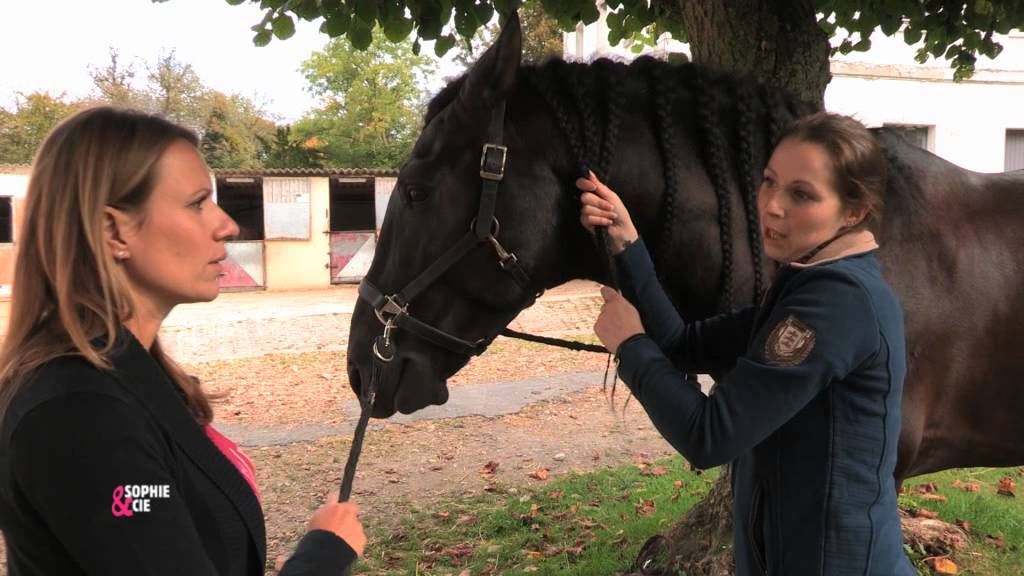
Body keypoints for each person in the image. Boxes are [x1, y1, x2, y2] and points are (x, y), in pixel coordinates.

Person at [0, 106, 365, 575]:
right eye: (197, 203)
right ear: (114, 231)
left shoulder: (130, 377)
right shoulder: (80, 414)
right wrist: (325, 552)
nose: (227, 225)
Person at [578, 112, 914, 575]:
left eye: (801, 194)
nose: (772, 205)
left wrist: (631, 345)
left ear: (853, 212)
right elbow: (684, 345)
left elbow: (709, 435)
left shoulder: (839, 302)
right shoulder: (807, 283)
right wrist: (626, 241)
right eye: (770, 181)